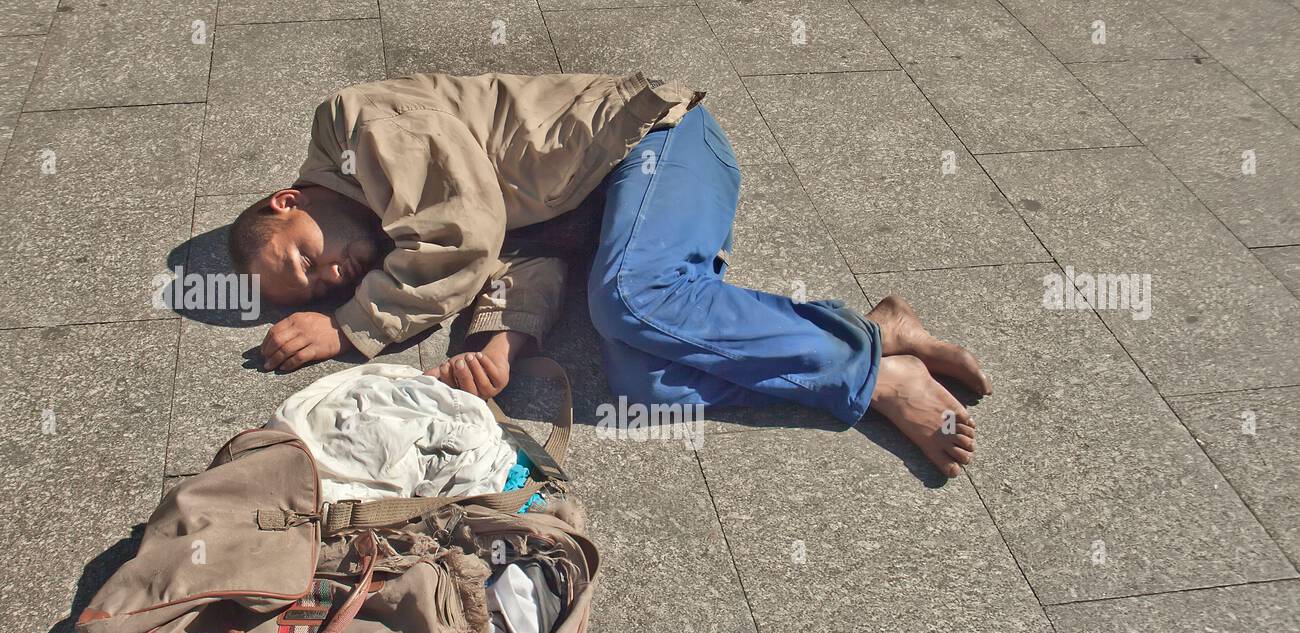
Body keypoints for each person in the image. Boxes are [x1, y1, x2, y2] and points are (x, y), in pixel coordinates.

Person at [229, 72, 991, 477]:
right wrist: (504, 344)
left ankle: (876, 375)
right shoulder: (400, 225)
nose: (331, 271)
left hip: (662, 144)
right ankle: (877, 330)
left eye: (304, 254)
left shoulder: (355, 129)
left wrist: (350, 324)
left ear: (289, 199)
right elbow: (515, 250)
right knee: (645, 387)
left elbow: (467, 231)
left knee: (627, 298)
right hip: (613, 212)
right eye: (320, 286)